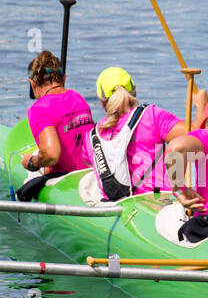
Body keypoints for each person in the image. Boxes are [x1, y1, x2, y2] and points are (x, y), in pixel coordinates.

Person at [84, 66, 187, 199]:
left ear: (103, 103)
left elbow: (88, 162)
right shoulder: (151, 116)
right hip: (159, 200)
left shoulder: (92, 136)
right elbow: (194, 137)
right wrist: (201, 106)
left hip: (119, 205)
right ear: (134, 93)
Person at [21, 50, 94, 181]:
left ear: (32, 84)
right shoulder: (78, 98)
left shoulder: (38, 109)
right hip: (91, 175)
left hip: (64, 182)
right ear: (63, 79)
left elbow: (51, 154)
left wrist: (32, 162)